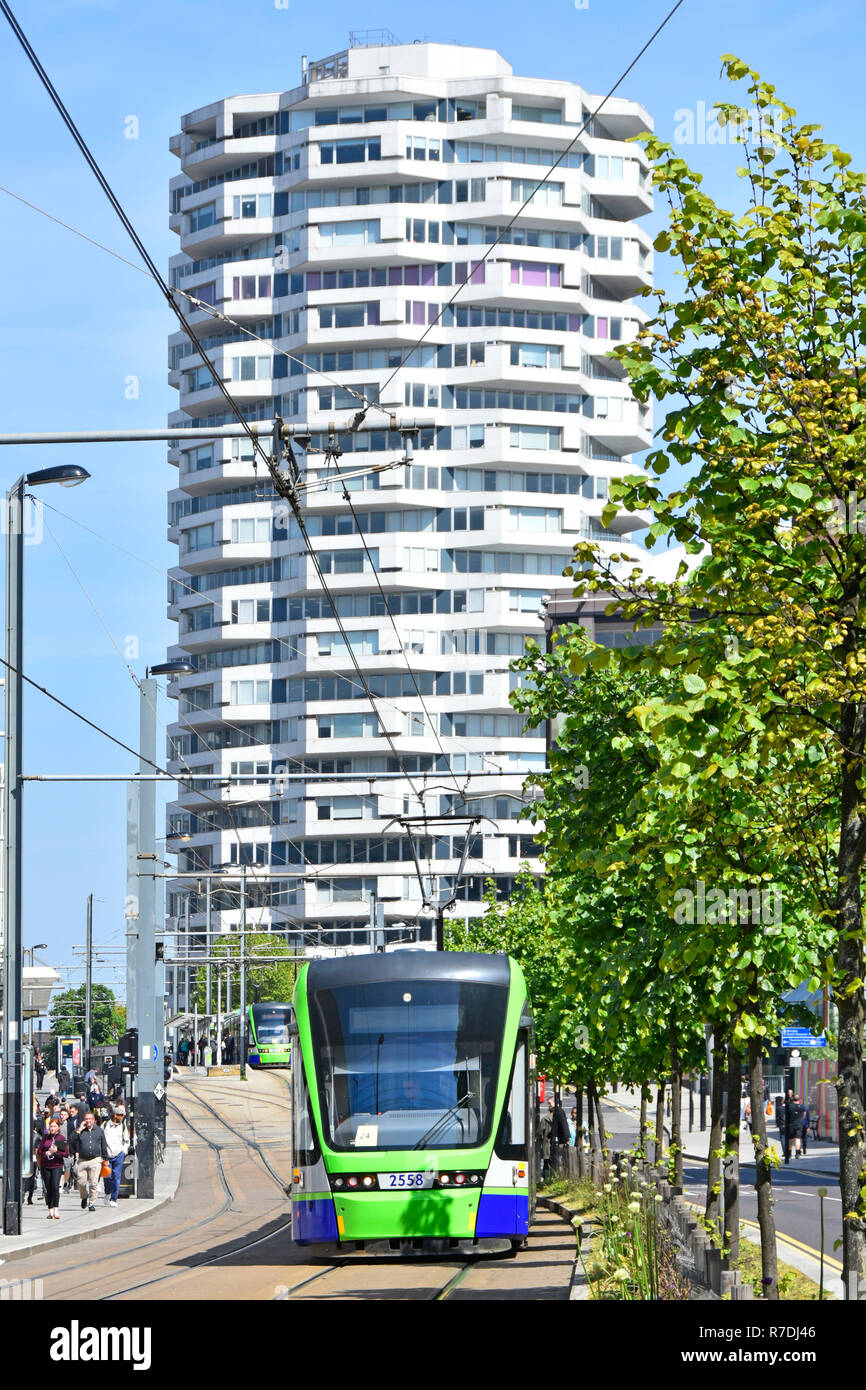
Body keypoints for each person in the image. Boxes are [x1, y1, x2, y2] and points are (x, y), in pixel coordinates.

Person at [72, 1110, 109, 1212]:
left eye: (90, 1119)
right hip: (82, 1160)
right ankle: (84, 1197)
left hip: (95, 1160)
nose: (88, 1121)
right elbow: (72, 1140)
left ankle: (91, 1203)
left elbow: (103, 1144)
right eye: (86, 1119)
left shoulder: (99, 1130)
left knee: (93, 1183)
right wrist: (79, 1129)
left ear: (93, 1120)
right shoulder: (80, 1131)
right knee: (81, 1183)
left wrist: (105, 1158)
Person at [37, 1117, 68, 1220]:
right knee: (48, 1188)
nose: (53, 1128)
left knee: (55, 1187)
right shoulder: (45, 1137)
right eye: (51, 1126)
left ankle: (56, 1209)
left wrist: (56, 1152)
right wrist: (47, 1153)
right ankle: (50, 1211)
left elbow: (66, 1153)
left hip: (57, 1165)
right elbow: (40, 1151)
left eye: (55, 1126)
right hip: (46, 1165)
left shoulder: (61, 1138)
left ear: (58, 1127)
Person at [102, 1107, 130, 1208]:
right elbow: (100, 1138)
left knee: (116, 1177)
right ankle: (107, 1192)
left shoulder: (122, 1126)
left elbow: (126, 1140)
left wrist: (124, 1150)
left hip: (118, 1154)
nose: (122, 1117)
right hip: (107, 1156)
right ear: (115, 1115)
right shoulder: (105, 1125)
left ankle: (114, 1199)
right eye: (121, 1115)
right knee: (107, 1176)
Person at [537, 1102, 553, 1181]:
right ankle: (552, 1178)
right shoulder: (558, 1118)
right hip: (555, 1144)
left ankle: (546, 1180)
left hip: (546, 1143)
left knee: (546, 1162)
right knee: (554, 1162)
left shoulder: (544, 1119)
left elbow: (540, 1132)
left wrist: (540, 1139)